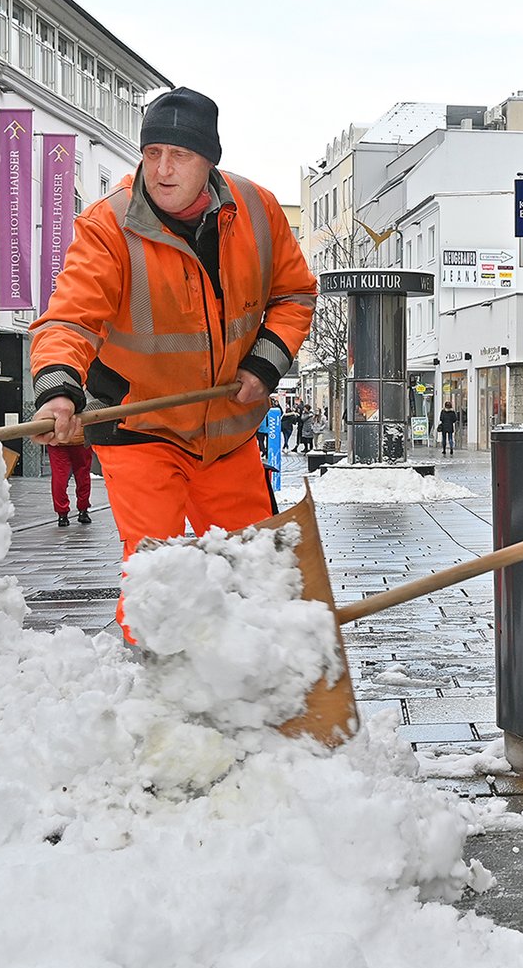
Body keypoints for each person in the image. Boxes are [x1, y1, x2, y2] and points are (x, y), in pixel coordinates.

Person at [28, 86, 316, 638]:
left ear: (209, 161)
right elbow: (69, 319)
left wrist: (264, 365)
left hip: (228, 433)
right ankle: (150, 696)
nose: (161, 169)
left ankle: (266, 693)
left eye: (179, 155)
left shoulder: (257, 210)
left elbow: (294, 296)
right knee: (156, 574)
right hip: (140, 426)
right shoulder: (107, 226)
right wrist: (59, 388)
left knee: (259, 570)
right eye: (152, 152)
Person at [48, 417, 94, 527]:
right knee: (83, 474)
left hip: (57, 439)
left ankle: (62, 514)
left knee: (59, 476)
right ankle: (83, 510)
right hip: (80, 438)